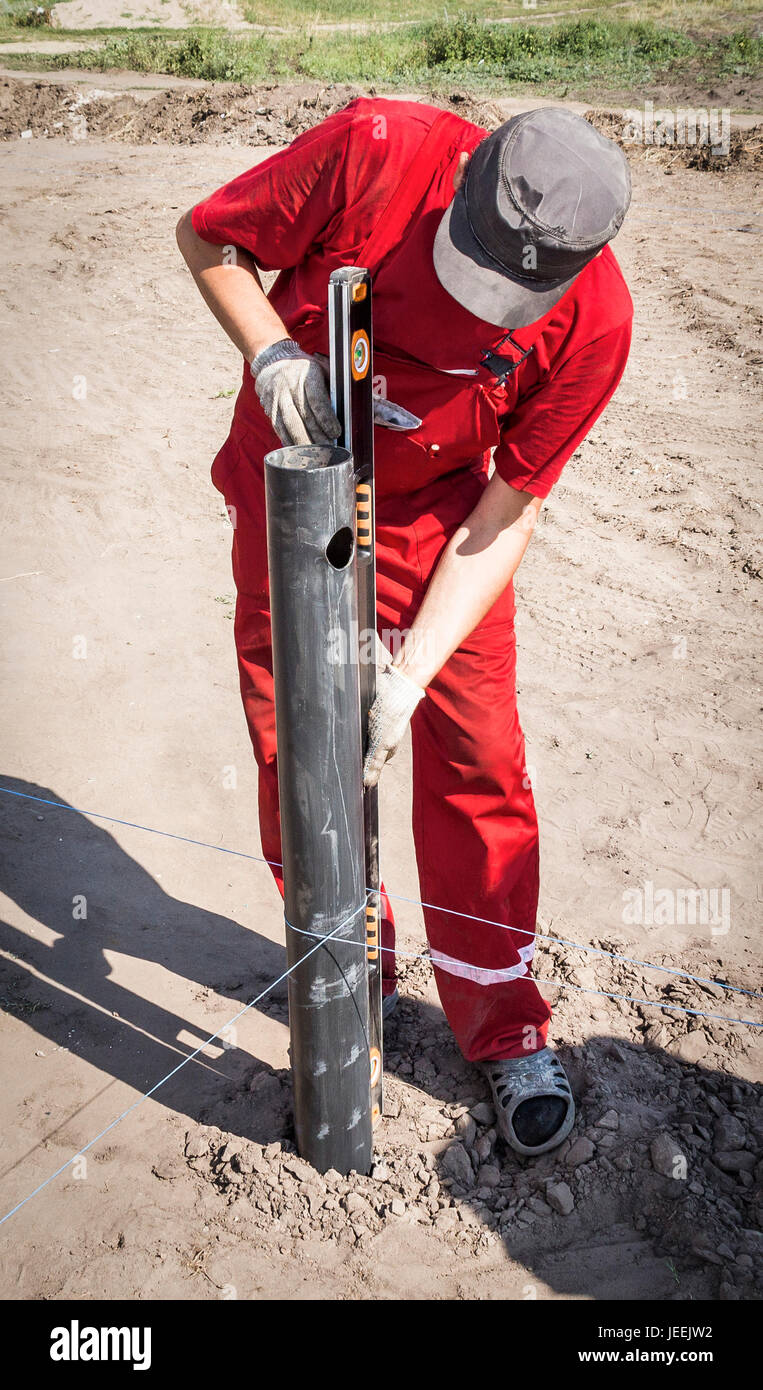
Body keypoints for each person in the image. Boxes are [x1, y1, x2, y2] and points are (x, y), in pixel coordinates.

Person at [176, 100, 633, 1157]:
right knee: (302, 746)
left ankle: (500, 1018)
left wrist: (414, 670)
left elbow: (506, 512)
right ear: (466, 176)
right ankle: (348, 979)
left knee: (478, 760)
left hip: (441, 520)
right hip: (297, 475)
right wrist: (274, 358)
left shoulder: (594, 325)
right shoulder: (375, 152)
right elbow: (206, 237)